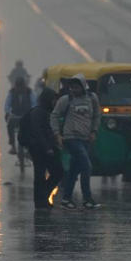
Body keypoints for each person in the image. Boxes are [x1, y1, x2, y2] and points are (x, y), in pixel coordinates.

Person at [50, 74, 101, 210]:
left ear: (83, 86)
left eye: (77, 86)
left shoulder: (92, 99)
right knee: (87, 166)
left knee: (74, 170)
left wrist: (94, 131)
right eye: (72, 87)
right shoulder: (65, 100)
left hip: (85, 139)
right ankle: (87, 199)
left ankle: (66, 199)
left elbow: (97, 115)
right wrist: (57, 134)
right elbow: (54, 116)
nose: (74, 89)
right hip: (71, 138)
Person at [21, 88, 64, 208]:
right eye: (53, 99)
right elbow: (39, 132)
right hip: (39, 148)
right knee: (41, 174)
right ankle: (40, 201)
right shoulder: (39, 112)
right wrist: (47, 148)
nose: (55, 102)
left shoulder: (48, 112)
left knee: (56, 172)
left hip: (47, 147)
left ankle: (42, 197)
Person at [4, 76, 37, 155]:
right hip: (15, 116)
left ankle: (30, 146)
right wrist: (8, 112)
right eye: (18, 86)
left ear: (24, 86)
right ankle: (13, 146)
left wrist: (32, 112)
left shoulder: (30, 92)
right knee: (9, 126)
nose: (19, 89)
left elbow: (34, 104)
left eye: (21, 86)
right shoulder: (11, 93)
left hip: (27, 116)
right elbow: (7, 105)